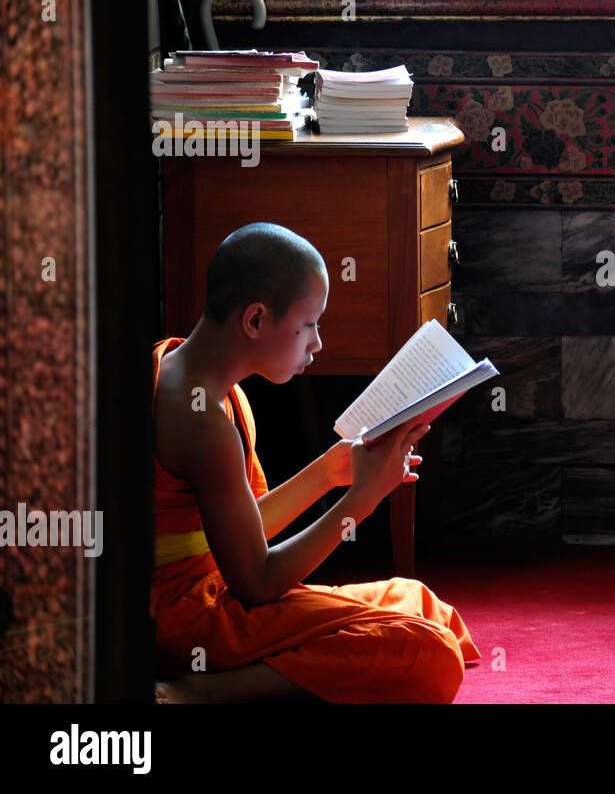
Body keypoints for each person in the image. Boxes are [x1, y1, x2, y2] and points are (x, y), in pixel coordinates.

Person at [152, 222, 479, 702]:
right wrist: (363, 498)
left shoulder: (207, 382)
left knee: (424, 605)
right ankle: (198, 694)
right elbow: (258, 582)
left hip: (212, 586)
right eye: (309, 324)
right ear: (256, 320)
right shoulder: (199, 420)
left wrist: (327, 472)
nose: (317, 343)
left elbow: (243, 528)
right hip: (180, 618)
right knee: (428, 654)